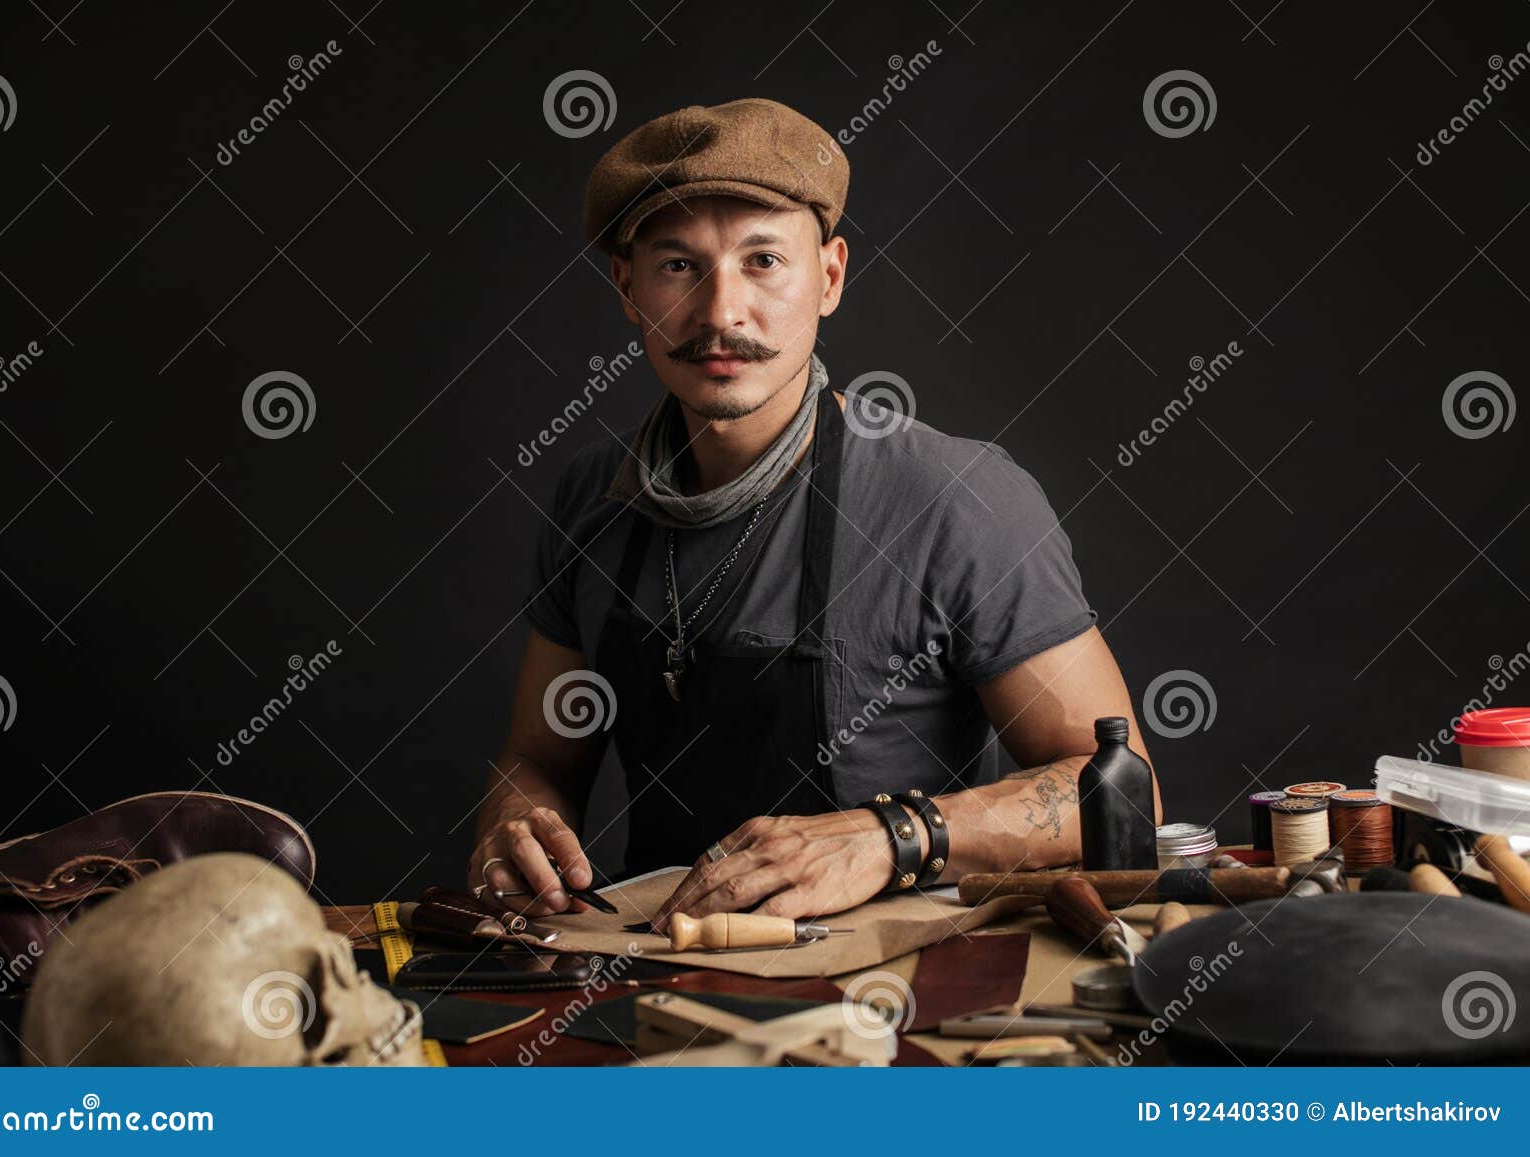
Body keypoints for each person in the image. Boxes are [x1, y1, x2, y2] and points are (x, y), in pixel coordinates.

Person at [472, 98, 1160, 932]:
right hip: (650, 978)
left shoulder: (955, 498)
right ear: (628, 288)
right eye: (678, 267)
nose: (722, 312)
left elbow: (1118, 788)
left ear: (829, 276)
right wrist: (516, 824)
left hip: (887, 1002)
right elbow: (540, 756)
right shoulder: (591, 499)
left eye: (763, 260)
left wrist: (891, 835)